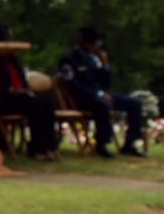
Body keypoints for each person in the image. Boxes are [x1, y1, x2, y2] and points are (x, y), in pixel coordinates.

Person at [59, 26, 147, 156]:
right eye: (95, 43)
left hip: (99, 94)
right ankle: (102, 144)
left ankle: (130, 142)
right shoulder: (70, 59)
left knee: (134, 103)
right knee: (102, 106)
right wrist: (98, 94)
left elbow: (106, 83)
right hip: (81, 99)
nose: (97, 47)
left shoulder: (94, 59)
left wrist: (105, 65)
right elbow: (73, 86)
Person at [0, 23, 60, 161]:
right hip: (4, 98)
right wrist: (14, 90)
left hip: (21, 96)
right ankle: (37, 148)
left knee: (47, 103)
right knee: (35, 104)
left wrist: (25, 89)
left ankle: (51, 146)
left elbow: (22, 80)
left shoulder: (13, 60)